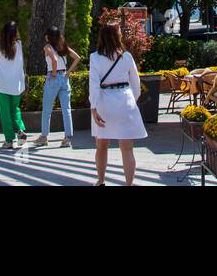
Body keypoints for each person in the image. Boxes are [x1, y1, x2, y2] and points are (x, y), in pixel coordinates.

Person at [89, 21, 147, 185]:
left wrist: (93, 108)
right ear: (117, 36)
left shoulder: (94, 58)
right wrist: (130, 101)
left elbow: (93, 85)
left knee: (101, 146)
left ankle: (100, 181)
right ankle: (129, 183)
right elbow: (136, 85)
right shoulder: (127, 56)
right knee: (127, 148)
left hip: (103, 102)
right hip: (125, 100)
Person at [35, 26, 81, 148]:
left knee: (47, 110)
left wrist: (54, 74)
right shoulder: (63, 46)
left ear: (48, 36)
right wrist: (69, 72)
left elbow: (54, 60)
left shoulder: (47, 47)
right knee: (67, 110)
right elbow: (77, 58)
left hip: (53, 77)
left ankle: (44, 137)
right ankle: (67, 138)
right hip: (65, 77)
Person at [0, 21, 26, 149]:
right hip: (16, 83)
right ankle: (21, 129)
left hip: (2, 83)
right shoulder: (19, 45)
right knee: (15, 109)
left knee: (5, 112)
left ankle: (9, 140)